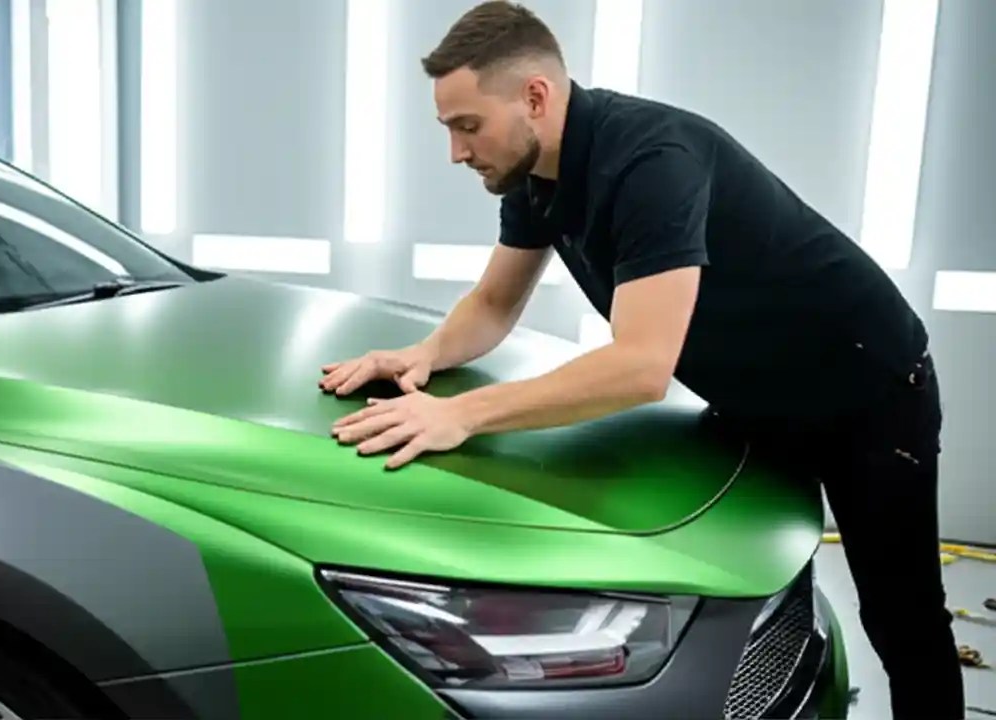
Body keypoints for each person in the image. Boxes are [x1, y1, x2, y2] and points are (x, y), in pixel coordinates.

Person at [318, 1, 964, 717]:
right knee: (748, 590)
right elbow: (494, 304)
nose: (456, 151)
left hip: (868, 392)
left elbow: (641, 366)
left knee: (902, 617)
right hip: (759, 394)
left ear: (535, 97)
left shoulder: (652, 161)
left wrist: (461, 415)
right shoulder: (534, 175)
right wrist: (420, 356)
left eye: (468, 126)